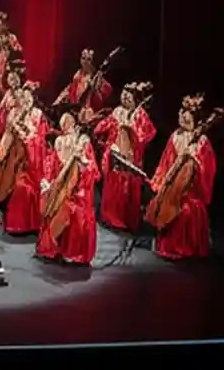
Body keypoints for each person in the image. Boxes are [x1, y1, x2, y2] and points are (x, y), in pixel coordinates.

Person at [149, 95, 217, 260]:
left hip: (190, 192)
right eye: (182, 113)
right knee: (168, 206)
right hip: (173, 187)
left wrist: (194, 160)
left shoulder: (201, 142)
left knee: (186, 211)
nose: (183, 117)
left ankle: (186, 248)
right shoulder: (175, 137)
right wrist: (161, 184)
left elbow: (208, 168)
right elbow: (165, 162)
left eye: (188, 116)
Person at [37, 111, 99, 265]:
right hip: (61, 186)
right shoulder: (59, 141)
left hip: (78, 189)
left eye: (68, 121)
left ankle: (74, 253)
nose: (64, 125)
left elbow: (94, 171)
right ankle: (54, 247)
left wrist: (83, 163)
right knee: (52, 203)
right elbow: (52, 165)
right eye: (62, 122)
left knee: (74, 208)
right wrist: (47, 181)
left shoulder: (83, 143)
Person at [92, 82, 156, 231]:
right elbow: (103, 126)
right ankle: (110, 217)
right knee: (113, 183)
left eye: (130, 96)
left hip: (130, 156)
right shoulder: (118, 111)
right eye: (124, 94)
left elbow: (148, 134)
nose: (126, 98)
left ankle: (125, 220)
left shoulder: (140, 115)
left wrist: (131, 130)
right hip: (115, 152)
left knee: (128, 185)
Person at [0, 85, 48, 235]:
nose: (25, 101)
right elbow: (8, 136)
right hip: (17, 157)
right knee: (15, 184)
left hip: (34, 161)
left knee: (26, 188)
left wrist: (28, 139)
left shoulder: (38, 116)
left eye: (28, 98)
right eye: (22, 98)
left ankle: (31, 224)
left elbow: (40, 141)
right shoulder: (16, 113)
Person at [53, 49, 113, 126]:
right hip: (74, 112)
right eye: (83, 58)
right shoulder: (77, 77)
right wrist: (57, 102)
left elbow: (101, 101)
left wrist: (95, 89)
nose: (85, 62)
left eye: (89, 59)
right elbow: (67, 91)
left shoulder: (99, 80)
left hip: (90, 115)